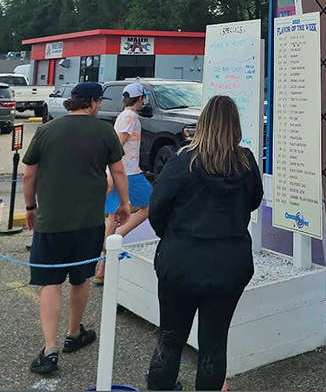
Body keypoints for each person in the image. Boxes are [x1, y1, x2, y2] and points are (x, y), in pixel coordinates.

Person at [146, 94, 263, 392]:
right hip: (229, 264)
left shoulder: (182, 161)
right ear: (235, 125)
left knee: (170, 338)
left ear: (203, 123)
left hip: (181, 261)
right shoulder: (246, 162)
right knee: (214, 343)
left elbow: (157, 209)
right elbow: (253, 201)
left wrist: (174, 236)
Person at [22, 81, 131, 376]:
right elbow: (118, 171)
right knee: (80, 278)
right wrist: (124, 204)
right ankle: (73, 334)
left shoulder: (47, 130)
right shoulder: (104, 132)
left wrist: (30, 208)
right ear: (93, 102)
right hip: (88, 223)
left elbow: (29, 174)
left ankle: (49, 349)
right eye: (99, 102)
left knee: (50, 282)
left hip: (51, 223)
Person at [94, 82, 153, 283]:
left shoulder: (122, 115)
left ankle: (102, 269)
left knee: (113, 217)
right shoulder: (131, 117)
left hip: (118, 172)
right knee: (150, 206)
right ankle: (117, 238)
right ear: (140, 99)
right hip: (129, 173)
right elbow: (118, 143)